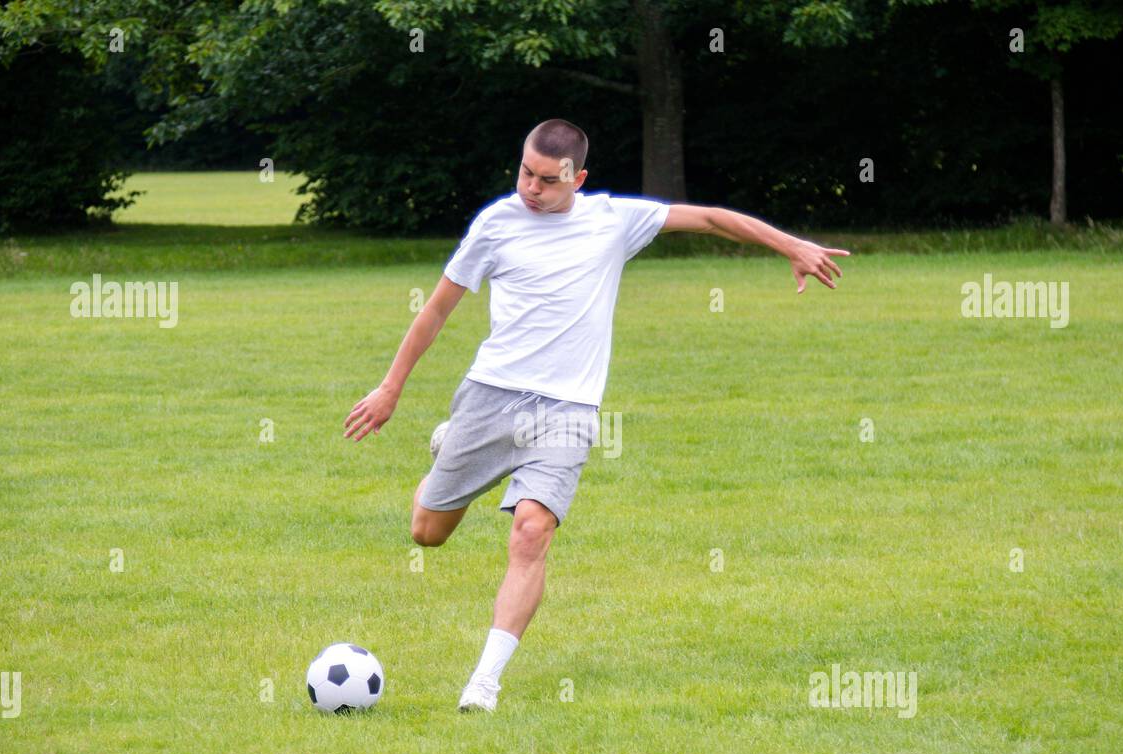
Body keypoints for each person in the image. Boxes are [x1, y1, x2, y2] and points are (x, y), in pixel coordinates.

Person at [344, 118, 848, 712]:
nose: (531, 188)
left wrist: (790, 244)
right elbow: (435, 311)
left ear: (577, 179)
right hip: (491, 395)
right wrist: (390, 388)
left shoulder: (613, 220)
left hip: (568, 408)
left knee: (531, 530)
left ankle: (484, 681)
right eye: (525, 172)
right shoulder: (496, 224)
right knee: (426, 534)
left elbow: (710, 218)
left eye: (548, 181)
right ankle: (448, 448)